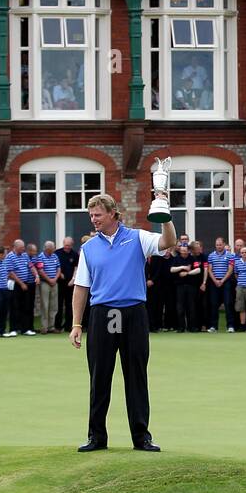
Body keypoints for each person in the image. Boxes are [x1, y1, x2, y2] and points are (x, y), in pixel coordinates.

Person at [70, 193, 176, 453]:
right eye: (91, 215)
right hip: (103, 314)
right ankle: (97, 437)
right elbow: (81, 287)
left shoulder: (137, 237)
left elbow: (168, 241)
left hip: (134, 312)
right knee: (100, 376)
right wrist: (76, 324)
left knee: (136, 375)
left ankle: (141, 437)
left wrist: (164, 215)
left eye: (97, 215)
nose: (93, 220)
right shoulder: (89, 248)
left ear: (112, 214)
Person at [168, 242, 200, 333]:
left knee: (191, 307)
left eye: (185, 251)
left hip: (191, 286)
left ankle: (192, 327)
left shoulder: (192, 258)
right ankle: (181, 327)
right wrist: (183, 267)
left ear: (188, 251)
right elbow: (172, 269)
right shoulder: (176, 259)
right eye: (182, 251)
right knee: (180, 307)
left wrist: (187, 273)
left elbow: (198, 270)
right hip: (180, 286)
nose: (183, 252)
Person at [205, 237, 235, 332]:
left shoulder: (230, 255)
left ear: (224, 244)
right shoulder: (211, 256)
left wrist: (222, 280)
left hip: (226, 282)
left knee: (228, 303)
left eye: (220, 245)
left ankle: (230, 326)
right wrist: (215, 280)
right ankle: (214, 326)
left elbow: (230, 270)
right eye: (217, 245)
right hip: (214, 282)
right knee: (214, 304)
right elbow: (209, 270)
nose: (218, 246)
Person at [6, 240, 35, 335]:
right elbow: (10, 272)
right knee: (14, 307)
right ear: (16, 247)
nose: (23, 249)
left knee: (25, 306)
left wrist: (37, 276)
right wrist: (21, 283)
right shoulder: (10, 256)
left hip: (25, 283)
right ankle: (13, 329)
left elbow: (31, 266)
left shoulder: (25, 255)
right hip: (15, 285)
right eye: (22, 247)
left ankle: (25, 329)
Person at [34, 241, 62, 334]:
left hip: (54, 283)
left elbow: (58, 268)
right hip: (45, 283)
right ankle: (44, 327)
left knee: (54, 305)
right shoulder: (40, 257)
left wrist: (55, 279)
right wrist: (49, 280)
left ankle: (51, 326)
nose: (54, 250)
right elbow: (40, 271)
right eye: (52, 248)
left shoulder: (55, 256)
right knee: (45, 305)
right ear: (47, 249)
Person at [53, 236, 79, 331]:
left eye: (69, 245)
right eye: (66, 245)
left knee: (70, 305)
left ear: (72, 245)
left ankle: (68, 326)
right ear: (63, 244)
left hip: (70, 284)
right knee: (58, 305)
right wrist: (60, 274)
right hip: (60, 283)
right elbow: (55, 266)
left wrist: (73, 279)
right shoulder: (57, 253)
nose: (67, 247)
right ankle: (57, 326)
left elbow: (76, 268)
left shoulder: (75, 254)